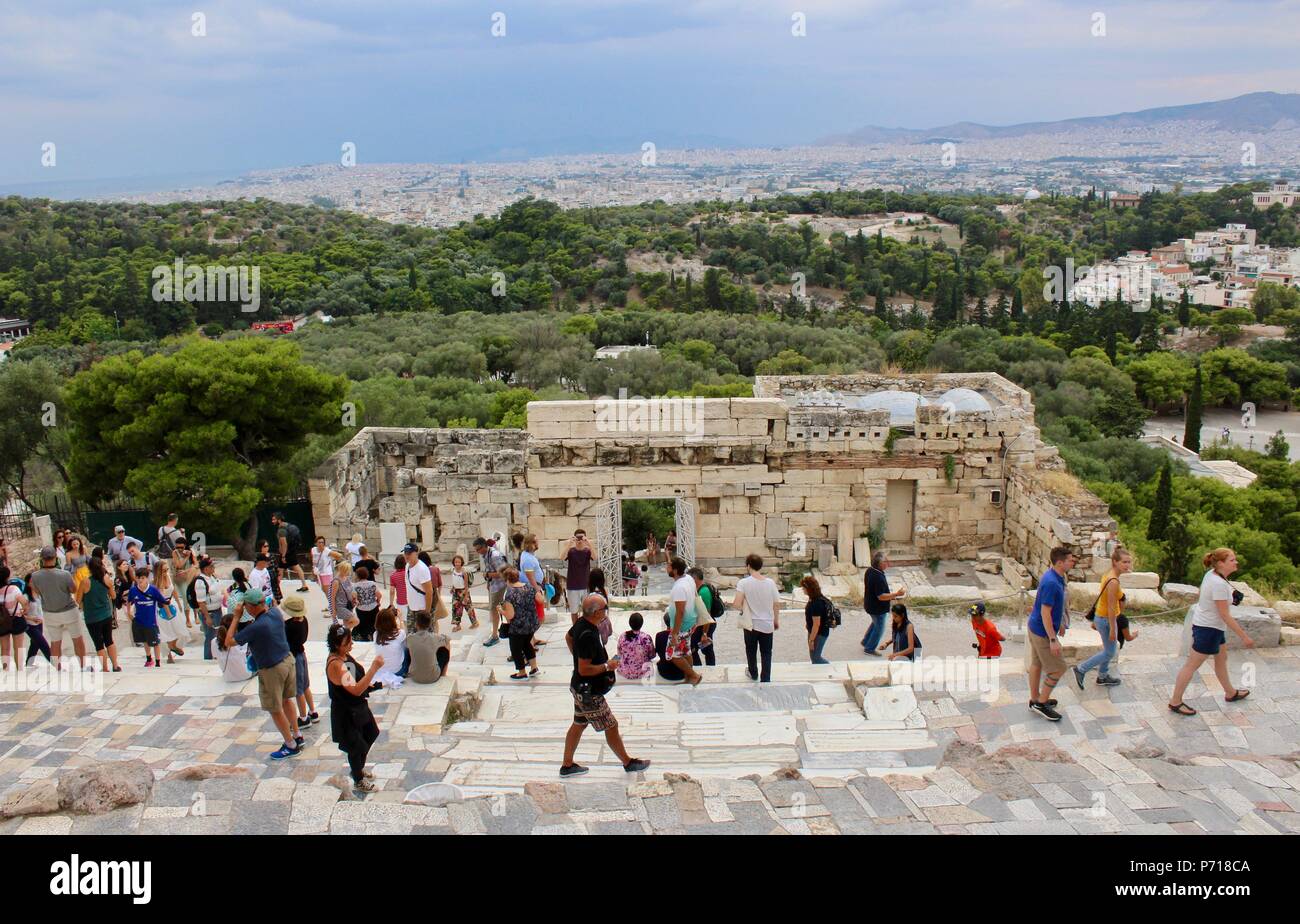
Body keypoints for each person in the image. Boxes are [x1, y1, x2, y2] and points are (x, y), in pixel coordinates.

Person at [559, 593, 650, 777]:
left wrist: (577, 659)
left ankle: (567, 765)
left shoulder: (581, 624)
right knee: (611, 725)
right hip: (589, 692)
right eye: (604, 608)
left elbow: (568, 638)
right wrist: (608, 665)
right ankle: (627, 762)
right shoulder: (587, 635)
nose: (606, 611)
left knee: (579, 723)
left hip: (579, 687)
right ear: (596, 612)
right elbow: (585, 670)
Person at [1168, 548, 1255, 717]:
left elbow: (1205, 596)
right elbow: (1224, 614)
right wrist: (1244, 636)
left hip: (1213, 627)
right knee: (1191, 665)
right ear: (1221, 563)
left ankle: (1230, 692)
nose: (1236, 562)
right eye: (1232, 560)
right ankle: (1175, 701)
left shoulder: (1213, 575)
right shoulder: (1219, 584)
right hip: (1208, 629)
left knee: (1221, 659)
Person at [227, 589, 302, 760]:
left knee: (275, 708)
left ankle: (290, 745)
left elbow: (229, 641)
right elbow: (274, 603)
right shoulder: (275, 613)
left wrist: (237, 617)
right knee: (287, 700)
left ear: (251, 607)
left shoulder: (256, 627)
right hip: (287, 660)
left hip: (272, 668)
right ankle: (297, 735)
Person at [325, 623, 384, 793]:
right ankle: (358, 778)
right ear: (337, 645)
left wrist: (371, 686)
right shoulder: (335, 664)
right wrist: (374, 668)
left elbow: (355, 679)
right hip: (346, 713)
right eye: (347, 642)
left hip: (358, 708)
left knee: (371, 733)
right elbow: (355, 689)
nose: (351, 644)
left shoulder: (345, 656)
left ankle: (357, 769)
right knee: (356, 746)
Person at [1026, 546, 1076, 722]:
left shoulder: (1055, 576)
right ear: (1060, 562)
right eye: (1070, 559)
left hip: (1035, 626)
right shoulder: (1052, 583)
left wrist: (1060, 622)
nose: (1073, 561)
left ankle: (1034, 698)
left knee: (1036, 663)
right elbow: (1045, 611)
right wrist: (1053, 639)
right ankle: (1041, 702)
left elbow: (1054, 606)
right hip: (1042, 632)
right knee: (1058, 668)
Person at [1073, 546, 1131, 690]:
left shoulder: (1109, 575)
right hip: (1106, 620)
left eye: (1129, 562)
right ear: (1115, 562)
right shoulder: (1113, 581)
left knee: (1108, 649)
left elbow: (1103, 600)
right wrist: (1112, 628)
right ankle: (1081, 669)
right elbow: (1111, 606)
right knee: (1109, 652)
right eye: (1124, 562)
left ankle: (1103, 676)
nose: (1127, 565)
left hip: (1102, 617)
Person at [31, 546, 88, 670]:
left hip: (50, 611)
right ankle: (83, 666)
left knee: (55, 641)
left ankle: (58, 668)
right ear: (55, 558)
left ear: (42, 559)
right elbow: (73, 589)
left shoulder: (35, 576)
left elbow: (36, 591)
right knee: (77, 639)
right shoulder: (64, 574)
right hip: (68, 610)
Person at [733, 553, 781, 683]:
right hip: (767, 623)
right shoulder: (770, 583)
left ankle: (753, 673)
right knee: (766, 652)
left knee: (751, 650)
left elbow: (737, 604)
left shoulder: (743, 583)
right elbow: (776, 603)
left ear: (748, 566)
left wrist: (745, 608)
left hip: (751, 624)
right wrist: (776, 620)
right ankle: (766, 678)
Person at [664, 556, 703, 685]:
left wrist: (674, 633)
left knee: (673, 655)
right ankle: (689, 677)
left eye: (668, 566)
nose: (666, 568)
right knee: (685, 650)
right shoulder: (689, 578)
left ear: (675, 570)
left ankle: (694, 675)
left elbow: (680, 612)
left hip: (681, 626)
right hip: (690, 622)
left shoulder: (679, 588)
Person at [282, 595, 319, 729]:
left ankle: (303, 718)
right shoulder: (304, 621)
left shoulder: (289, 625)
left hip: (294, 657)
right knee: (305, 685)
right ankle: (312, 712)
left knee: (298, 690)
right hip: (302, 654)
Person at [501, 566, 542, 680]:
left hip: (518, 626)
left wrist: (501, 611)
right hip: (531, 623)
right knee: (527, 644)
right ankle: (534, 668)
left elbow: (510, 615)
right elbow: (540, 600)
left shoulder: (510, 594)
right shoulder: (529, 587)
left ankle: (521, 671)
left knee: (516, 649)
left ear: (507, 580)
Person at [80, 556, 121, 672]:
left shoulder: (85, 582)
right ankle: (115, 665)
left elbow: (78, 601)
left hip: (92, 618)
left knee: (99, 644)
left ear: (89, 568)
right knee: (109, 640)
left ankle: (105, 668)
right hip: (106, 615)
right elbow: (113, 596)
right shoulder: (106, 579)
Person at [863, 550, 906, 656]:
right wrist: (896, 594)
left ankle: (865, 641)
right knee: (879, 628)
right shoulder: (878, 577)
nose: (889, 563)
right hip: (877, 608)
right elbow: (881, 596)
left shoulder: (870, 570)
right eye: (886, 561)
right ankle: (869, 648)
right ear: (880, 563)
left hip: (869, 604)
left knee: (875, 623)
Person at [126, 567, 168, 667]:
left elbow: (162, 600)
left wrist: (168, 610)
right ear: (136, 578)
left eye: (143, 578)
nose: (140, 580)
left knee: (155, 642)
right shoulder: (133, 590)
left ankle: (158, 662)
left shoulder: (153, 590)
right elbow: (129, 601)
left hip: (152, 621)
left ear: (147, 578)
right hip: (139, 620)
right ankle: (149, 658)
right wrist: (128, 612)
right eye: (138, 578)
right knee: (145, 641)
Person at [473, 537, 509, 648]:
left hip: (500, 586)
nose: (478, 552)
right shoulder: (486, 554)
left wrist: (488, 575)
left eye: (479, 549)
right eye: (476, 550)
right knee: (504, 607)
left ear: (484, 546)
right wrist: (488, 581)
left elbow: (503, 573)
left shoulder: (494, 556)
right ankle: (512, 628)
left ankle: (494, 636)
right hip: (495, 585)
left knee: (493, 609)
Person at [153, 561, 187, 663]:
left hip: (171, 604)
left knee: (178, 627)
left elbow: (173, 590)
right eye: (164, 570)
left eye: (167, 569)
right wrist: (168, 613)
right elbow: (162, 599)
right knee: (165, 631)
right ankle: (169, 655)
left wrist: (179, 602)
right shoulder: (157, 582)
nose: (166, 571)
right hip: (162, 608)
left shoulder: (168, 576)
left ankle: (174, 645)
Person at [192, 556, 223, 661]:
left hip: (217, 609)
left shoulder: (212, 577)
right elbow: (201, 601)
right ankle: (208, 658)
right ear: (205, 569)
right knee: (210, 636)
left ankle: (216, 655)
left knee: (217, 634)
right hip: (210, 612)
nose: (213, 568)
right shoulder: (200, 582)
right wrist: (207, 617)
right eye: (211, 566)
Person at [407, 610, 452, 684]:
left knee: (409, 649)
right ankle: (443, 674)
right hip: (433, 677)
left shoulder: (410, 638)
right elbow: (448, 639)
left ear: (416, 624)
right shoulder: (435, 637)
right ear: (430, 624)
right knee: (446, 646)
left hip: (414, 676)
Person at [372, 607, 409, 688]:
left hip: (381, 670)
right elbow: (405, 633)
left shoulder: (375, 634)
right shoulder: (399, 633)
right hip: (398, 671)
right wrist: (400, 619)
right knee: (406, 649)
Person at [271, 512, 308, 592]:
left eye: (274, 519)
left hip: (286, 552)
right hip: (292, 550)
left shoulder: (281, 530)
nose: (272, 521)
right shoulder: (288, 525)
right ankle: (304, 585)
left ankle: (276, 589)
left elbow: (284, 543)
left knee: (280, 570)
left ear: (279, 520)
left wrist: (283, 555)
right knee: (296, 567)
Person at [0, 565, 28, 670]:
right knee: (18, 647)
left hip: (2, 621)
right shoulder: (13, 589)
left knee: (4, 648)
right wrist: (24, 610)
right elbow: (24, 602)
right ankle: (19, 669)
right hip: (16, 619)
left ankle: (5, 669)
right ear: (7, 577)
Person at [690, 567, 720, 667]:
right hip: (702, 624)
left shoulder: (703, 592)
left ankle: (702, 669)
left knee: (697, 648)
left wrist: (704, 633)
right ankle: (707, 668)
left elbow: (706, 615)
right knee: (706, 649)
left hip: (705, 626)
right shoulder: (701, 589)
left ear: (694, 579)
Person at [21, 571, 51, 667]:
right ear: (28, 583)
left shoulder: (39, 593)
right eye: (32, 581)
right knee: (43, 644)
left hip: (39, 624)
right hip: (30, 625)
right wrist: (31, 618)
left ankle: (29, 663)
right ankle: (57, 665)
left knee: (35, 644)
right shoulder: (25, 597)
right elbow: (19, 615)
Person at [402, 543, 434, 633]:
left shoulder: (422, 569)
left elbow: (429, 591)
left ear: (416, 553)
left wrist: (427, 612)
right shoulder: (407, 566)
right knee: (411, 636)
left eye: (409, 553)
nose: (406, 556)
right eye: (405, 553)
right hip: (411, 608)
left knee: (426, 636)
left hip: (422, 609)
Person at [563, 529, 593, 623]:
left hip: (586, 586)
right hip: (573, 586)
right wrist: (569, 543)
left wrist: (588, 543)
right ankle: (575, 631)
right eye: (578, 537)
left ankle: (585, 630)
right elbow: (562, 557)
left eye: (582, 537)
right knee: (574, 611)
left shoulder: (587, 551)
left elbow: (595, 557)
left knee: (587, 611)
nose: (580, 540)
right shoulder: (571, 551)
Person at [213, 613, 254, 683]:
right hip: (245, 675)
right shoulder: (239, 640)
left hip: (227, 677)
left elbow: (215, 656)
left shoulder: (213, 642)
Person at [802, 574, 833, 664]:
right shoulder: (814, 598)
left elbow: (817, 624)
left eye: (804, 588)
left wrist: (811, 640)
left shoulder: (816, 603)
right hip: (813, 631)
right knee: (814, 657)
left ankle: (829, 668)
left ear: (809, 589)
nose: (802, 590)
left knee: (816, 658)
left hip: (819, 633)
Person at [616, 612, 654, 680]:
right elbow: (652, 655)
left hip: (624, 671)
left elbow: (619, 653)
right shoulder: (646, 638)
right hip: (642, 671)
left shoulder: (622, 636)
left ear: (630, 623)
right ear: (642, 624)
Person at [171, 538, 200, 629]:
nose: (179, 549)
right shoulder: (175, 553)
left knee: (193, 595)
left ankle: (196, 616)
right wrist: (186, 557)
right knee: (185, 597)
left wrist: (187, 570)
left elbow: (196, 564)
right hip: (179, 578)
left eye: (181, 547)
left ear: (185, 545)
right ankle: (187, 619)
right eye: (177, 546)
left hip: (189, 576)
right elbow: (178, 566)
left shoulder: (191, 551)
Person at [448, 554, 479, 631]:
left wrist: (465, 597)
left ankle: (475, 623)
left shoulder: (464, 573)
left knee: (469, 608)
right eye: (456, 562)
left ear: (461, 563)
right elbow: (455, 581)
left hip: (463, 592)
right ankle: (457, 625)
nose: (457, 563)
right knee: (456, 609)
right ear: (453, 563)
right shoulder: (453, 570)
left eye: (459, 562)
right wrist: (453, 588)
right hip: (456, 592)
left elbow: (466, 586)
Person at [352, 565, 380, 641]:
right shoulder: (373, 583)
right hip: (373, 607)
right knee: (374, 623)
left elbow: (354, 598)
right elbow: (379, 595)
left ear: (358, 575)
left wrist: (356, 602)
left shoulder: (355, 585)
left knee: (363, 624)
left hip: (361, 608)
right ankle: (374, 636)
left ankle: (364, 638)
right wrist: (378, 601)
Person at [329, 560, 358, 630]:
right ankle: (340, 632)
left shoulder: (346, 577)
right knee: (356, 621)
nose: (349, 572)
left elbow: (351, 590)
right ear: (342, 570)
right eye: (347, 570)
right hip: (341, 606)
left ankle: (345, 638)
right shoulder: (336, 581)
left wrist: (355, 599)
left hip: (348, 604)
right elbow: (332, 597)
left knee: (348, 625)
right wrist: (333, 610)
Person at [388, 554, 409, 619]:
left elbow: (392, 591)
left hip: (401, 602)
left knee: (403, 621)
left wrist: (391, 603)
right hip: (411, 600)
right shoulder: (409, 573)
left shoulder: (393, 576)